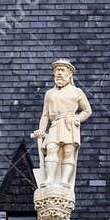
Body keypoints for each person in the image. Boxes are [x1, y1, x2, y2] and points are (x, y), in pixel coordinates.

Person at [33, 60, 91, 190]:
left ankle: (65, 180)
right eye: (57, 70)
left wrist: (77, 118)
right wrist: (41, 130)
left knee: (68, 151)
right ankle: (50, 179)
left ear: (70, 74)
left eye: (62, 70)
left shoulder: (77, 91)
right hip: (56, 124)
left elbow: (87, 110)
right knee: (51, 148)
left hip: (69, 124)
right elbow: (45, 115)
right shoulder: (50, 93)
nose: (59, 73)